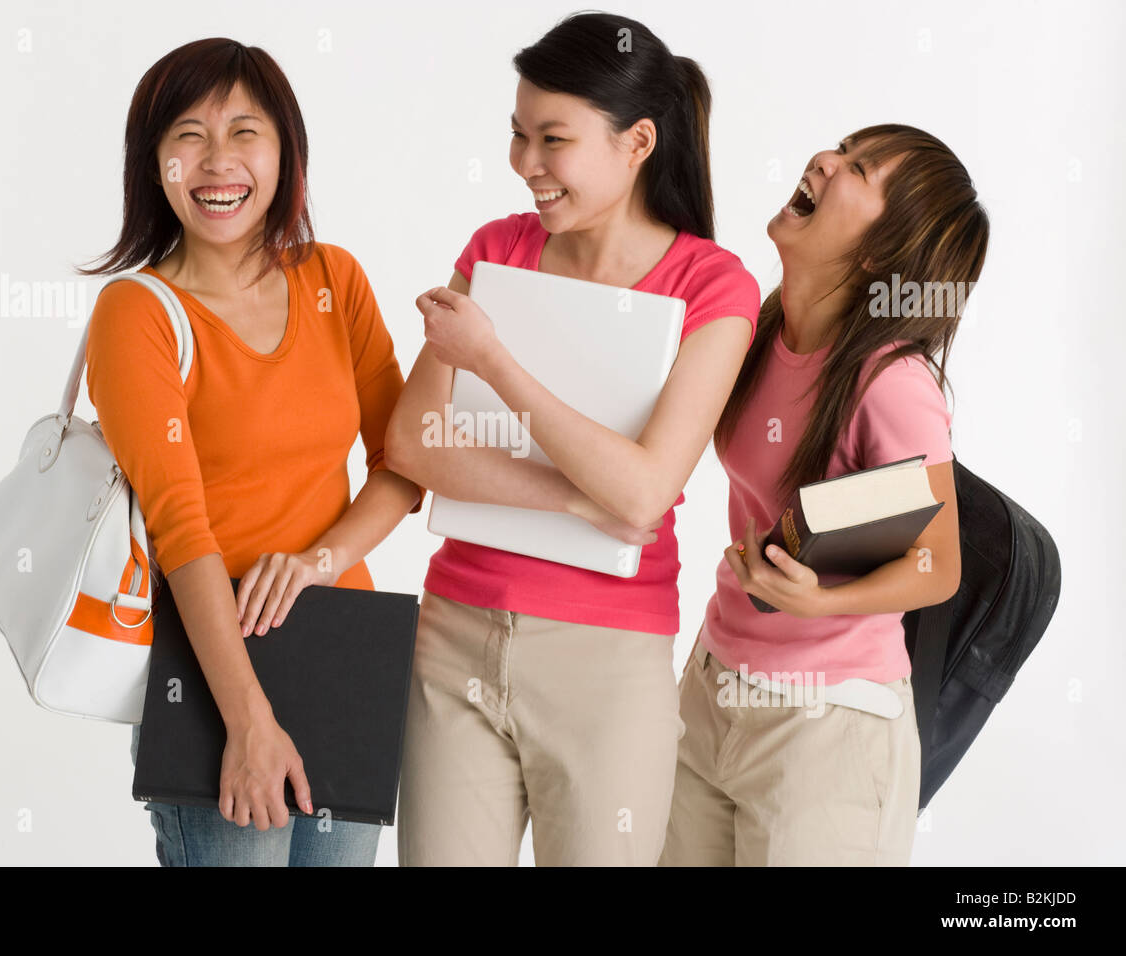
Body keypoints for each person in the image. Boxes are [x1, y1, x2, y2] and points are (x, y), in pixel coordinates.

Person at [384, 12, 760, 866]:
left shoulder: (713, 285)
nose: (526, 165)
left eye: (554, 139)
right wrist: (576, 496)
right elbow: (412, 442)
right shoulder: (496, 250)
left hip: (609, 661)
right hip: (456, 637)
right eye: (518, 135)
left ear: (637, 144)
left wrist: (495, 363)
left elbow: (642, 493)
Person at [78, 37, 424, 866]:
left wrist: (318, 560)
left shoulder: (334, 280)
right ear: (153, 162)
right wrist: (248, 721)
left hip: (343, 659)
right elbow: (180, 529)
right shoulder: (138, 315)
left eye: (244, 131)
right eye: (187, 136)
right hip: (210, 678)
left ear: (285, 151)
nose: (217, 161)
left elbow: (406, 460)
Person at [659, 124, 989, 866]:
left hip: (830, 728)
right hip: (713, 687)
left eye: (857, 169)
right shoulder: (762, 325)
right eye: (841, 147)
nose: (824, 161)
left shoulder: (892, 385)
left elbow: (939, 565)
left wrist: (823, 601)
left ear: (879, 253)